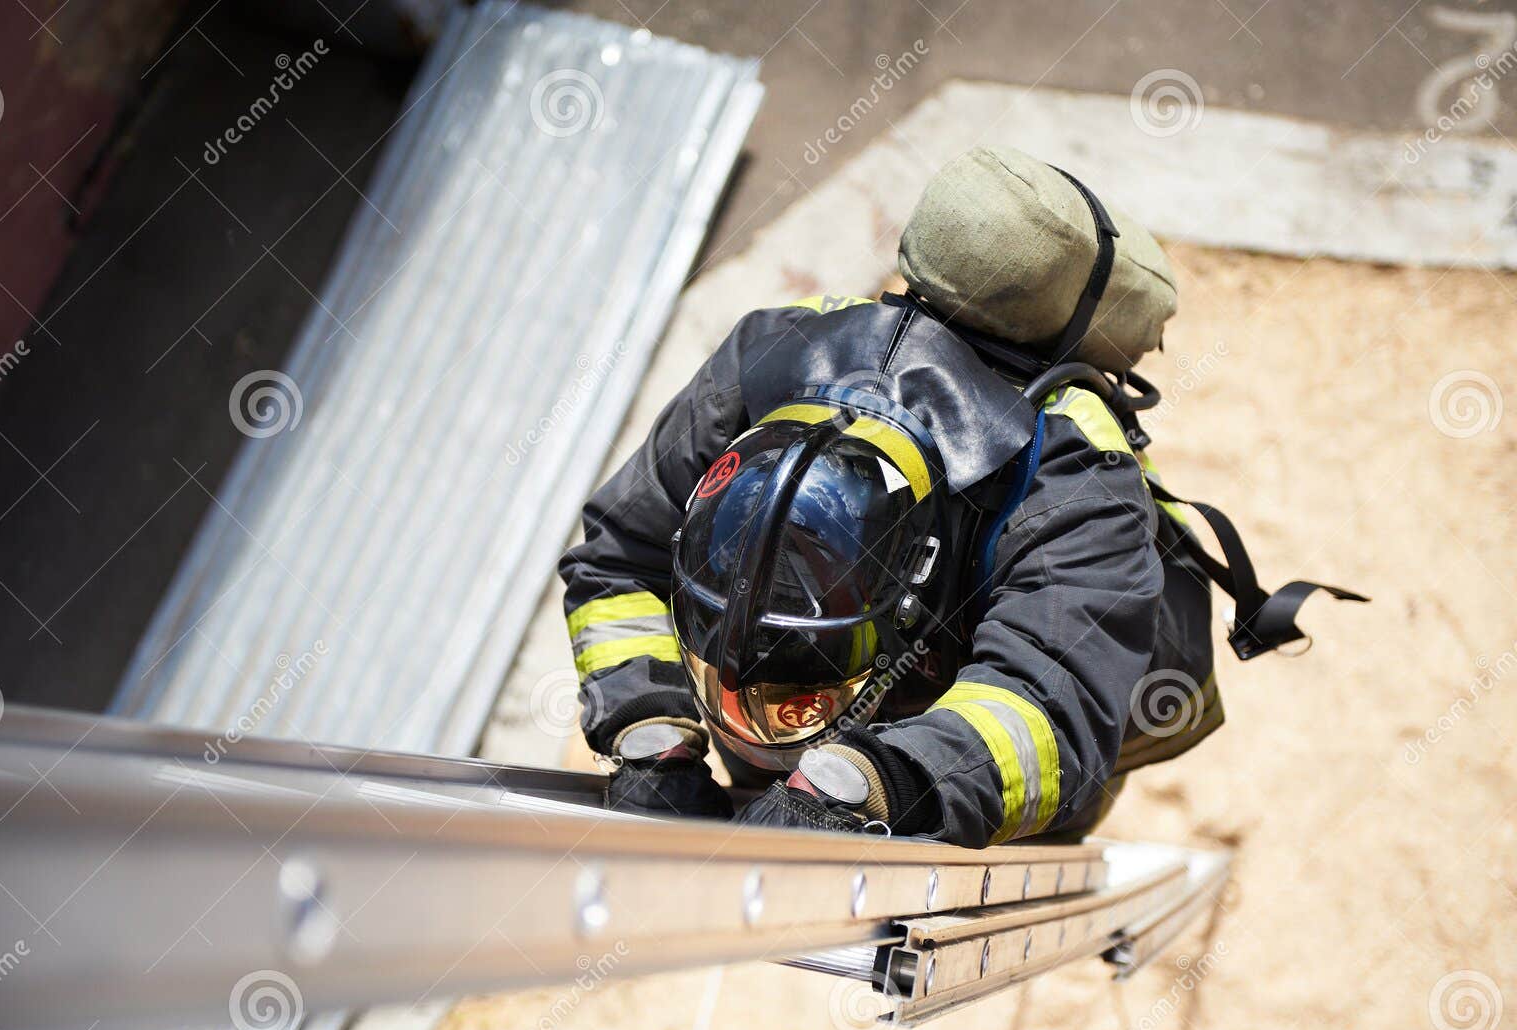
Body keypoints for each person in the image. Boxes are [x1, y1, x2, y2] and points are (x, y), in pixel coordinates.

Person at [557, 148, 1362, 848]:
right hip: (858, 763)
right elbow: (622, 560)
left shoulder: (775, 351)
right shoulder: (1065, 460)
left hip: (915, 778)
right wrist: (654, 728)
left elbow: (1047, 715)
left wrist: (868, 779)